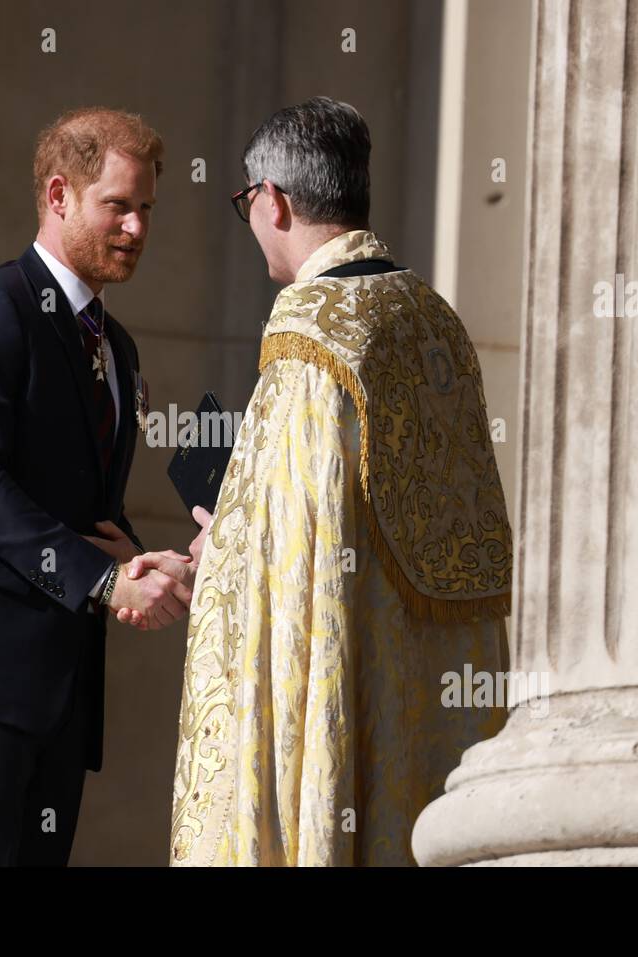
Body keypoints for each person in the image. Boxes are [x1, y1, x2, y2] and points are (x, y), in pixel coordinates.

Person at [137, 96, 514, 865]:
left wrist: (218, 548)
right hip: (431, 688)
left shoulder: (311, 327)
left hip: (348, 666)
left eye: (245, 202)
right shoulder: (433, 318)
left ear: (271, 200)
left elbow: (292, 545)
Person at [0, 107, 192, 866]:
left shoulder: (117, 347)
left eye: (147, 208)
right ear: (59, 195)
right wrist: (102, 582)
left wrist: (139, 558)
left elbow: (81, 502)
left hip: (63, 696)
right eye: (117, 205)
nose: (137, 228)